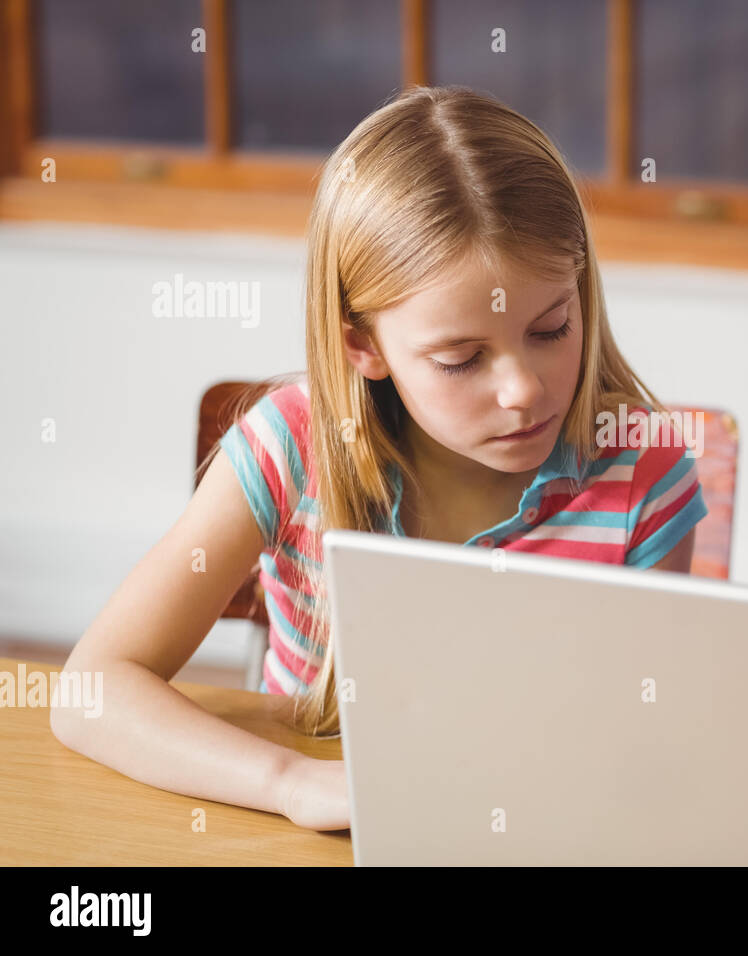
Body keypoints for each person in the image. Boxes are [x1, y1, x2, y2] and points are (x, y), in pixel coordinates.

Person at [52, 86, 707, 833]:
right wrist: (293, 782)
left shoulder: (641, 470)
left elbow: (641, 739)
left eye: (552, 327)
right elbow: (91, 692)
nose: (524, 391)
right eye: (461, 358)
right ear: (361, 345)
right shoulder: (289, 446)